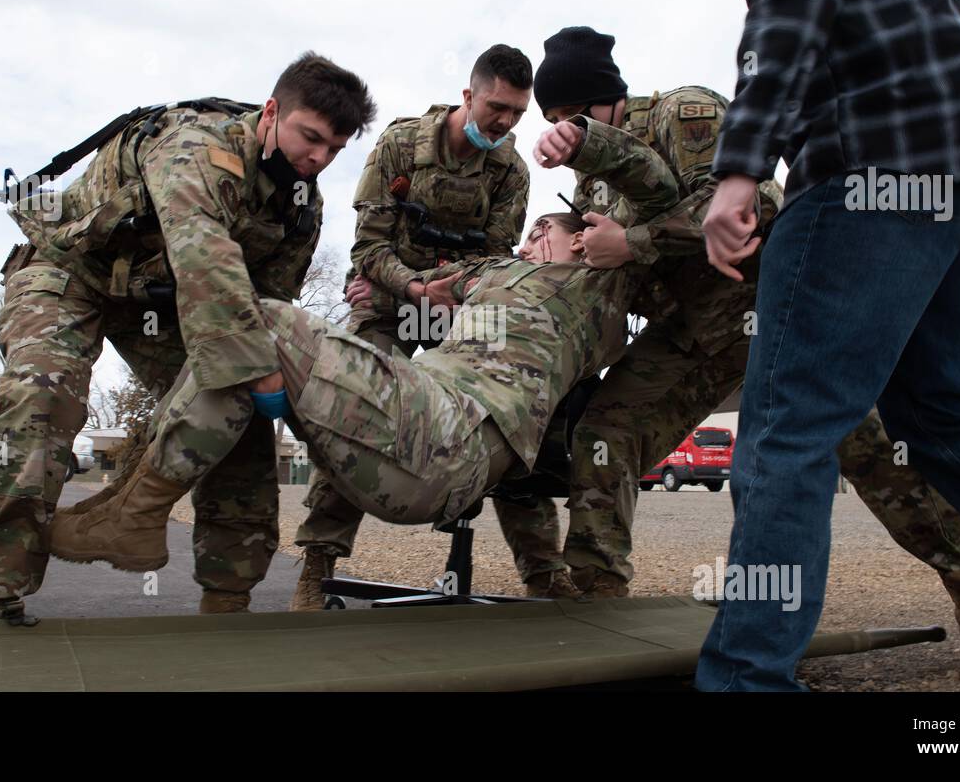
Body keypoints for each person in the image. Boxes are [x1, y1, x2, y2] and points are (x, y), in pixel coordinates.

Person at [521, 25, 960, 683]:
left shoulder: (685, 114)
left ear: (607, 100)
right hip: (693, 333)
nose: (564, 133)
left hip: (775, 312)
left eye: (571, 115)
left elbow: (750, 207)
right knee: (605, 429)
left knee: (875, 453)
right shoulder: (592, 184)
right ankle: (595, 601)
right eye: (552, 122)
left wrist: (636, 240)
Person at [697, 0, 960, 692]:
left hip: (880, 155)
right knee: (937, 415)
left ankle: (746, 680)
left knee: (790, 425)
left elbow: (792, 3)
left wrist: (739, 167)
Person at [44, 119, 673, 578]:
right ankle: (140, 516)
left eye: (549, 232)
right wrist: (383, 284)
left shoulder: (597, 287)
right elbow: (413, 289)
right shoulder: (495, 275)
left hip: (462, 441)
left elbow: (656, 191)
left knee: (262, 321)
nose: (533, 237)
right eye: (530, 231)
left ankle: (133, 511)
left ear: (590, 239)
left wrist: (586, 140)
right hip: (409, 441)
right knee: (245, 345)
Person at [0, 53, 376, 621]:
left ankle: (228, 601)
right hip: (71, 272)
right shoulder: (196, 145)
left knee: (239, 416)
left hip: (163, 302)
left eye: (334, 150)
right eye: (311, 137)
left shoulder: (301, 206)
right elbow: (205, 257)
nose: (318, 159)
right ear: (271, 112)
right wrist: (256, 364)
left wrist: (267, 376)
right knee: (41, 397)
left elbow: (267, 305)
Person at [290, 44, 562, 611]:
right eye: (497, 107)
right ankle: (318, 564)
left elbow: (494, 259)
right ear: (468, 96)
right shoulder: (399, 146)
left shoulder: (510, 170)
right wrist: (413, 288)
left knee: (513, 415)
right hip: (392, 300)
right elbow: (369, 248)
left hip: (461, 310)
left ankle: (545, 573)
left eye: (518, 112)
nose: (506, 122)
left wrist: (453, 293)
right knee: (352, 410)